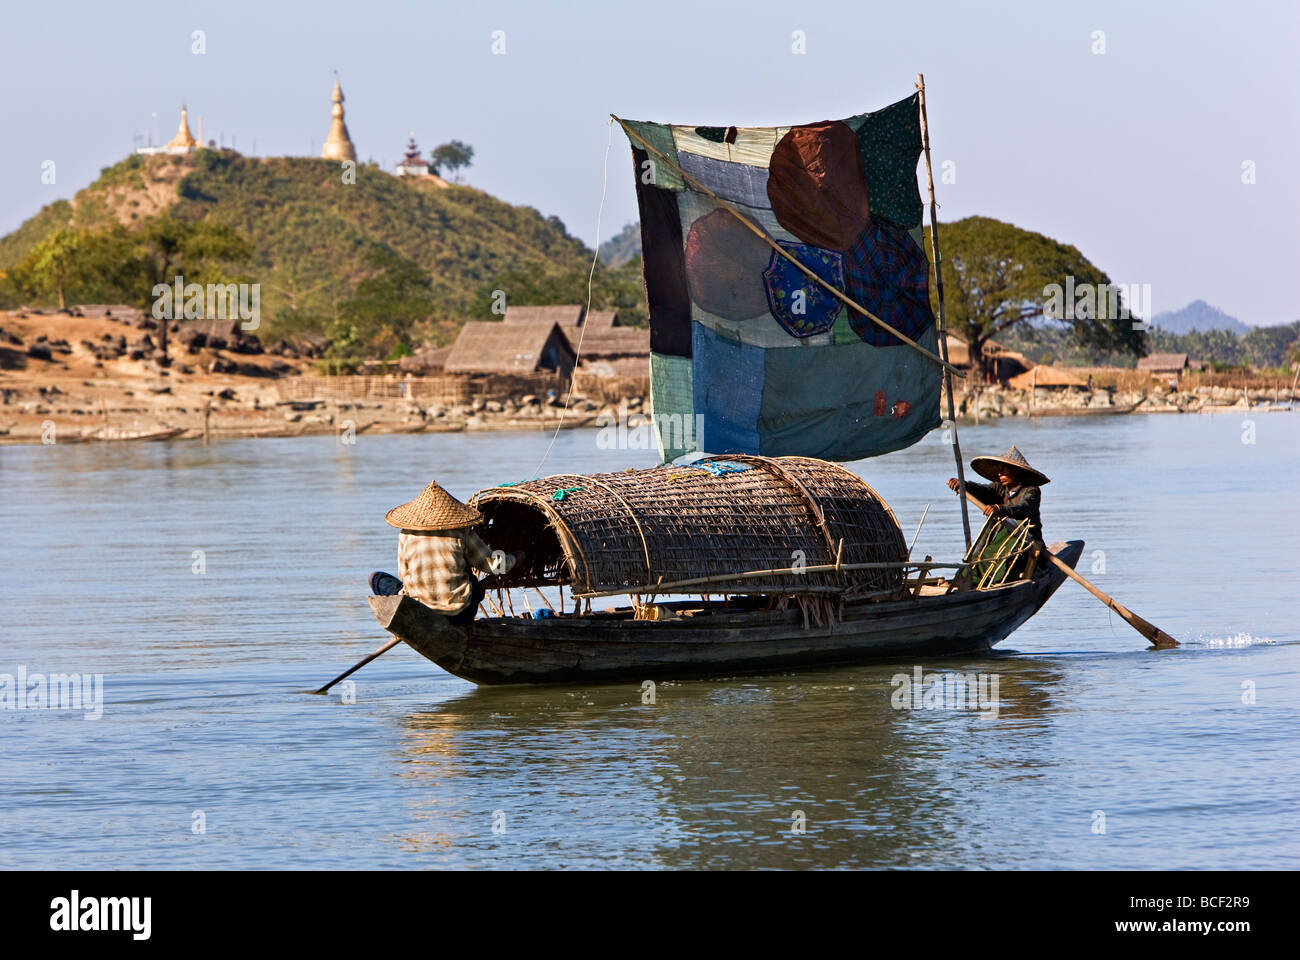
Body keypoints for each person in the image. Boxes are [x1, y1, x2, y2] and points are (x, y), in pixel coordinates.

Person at [368, 480, 521, 625]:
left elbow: (403, 575)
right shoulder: (461, 531)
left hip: (418, 609)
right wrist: (515, 557)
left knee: (375, 578)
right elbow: (496, 566)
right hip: (460, 614)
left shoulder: (406, 534)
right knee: (475, 587)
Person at [947, 445, 1049, 545]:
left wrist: (1000, 509)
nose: (999, 474)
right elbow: (983, 490)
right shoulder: (998, 488)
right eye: (999, 471)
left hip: (1028, 543)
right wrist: (964, 485)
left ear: (1016, 471)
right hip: (1003, 543)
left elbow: (1023, 508)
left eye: (1004, 470)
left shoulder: (1031, 491)